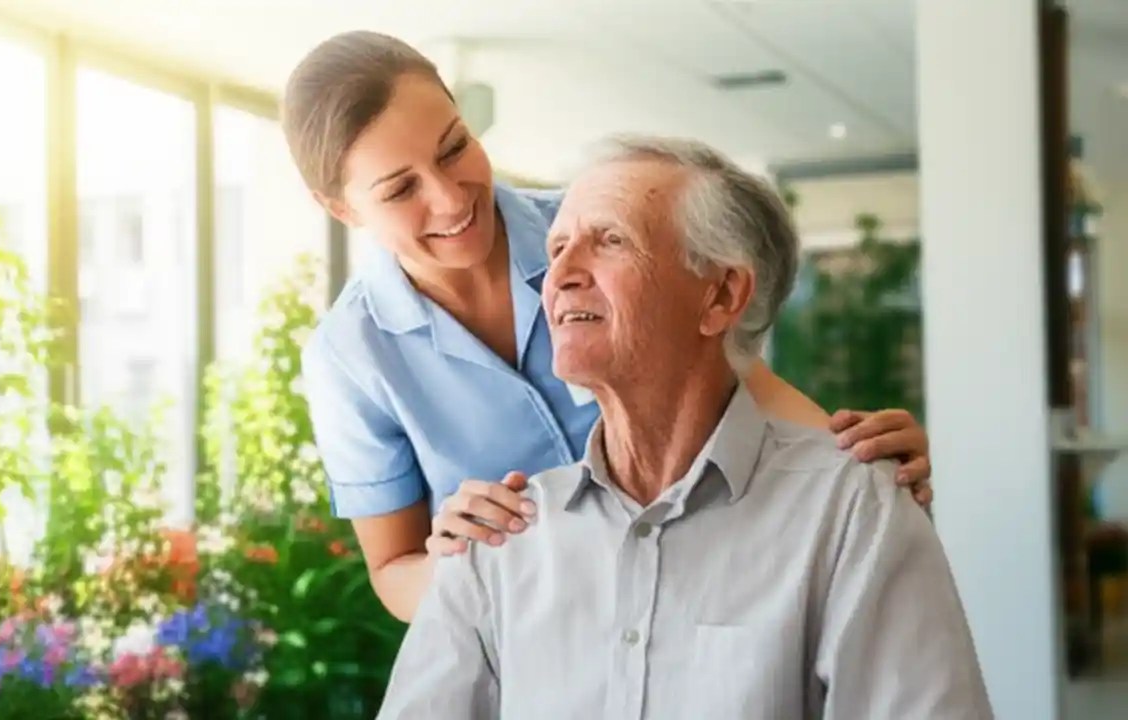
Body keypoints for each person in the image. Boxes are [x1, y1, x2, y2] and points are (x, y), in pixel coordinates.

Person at [285, 30, 933, 622]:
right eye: (401, 190)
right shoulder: (351, 356)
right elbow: (394, 572)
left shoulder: (593, 228)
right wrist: (462, 560)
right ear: (339, 207)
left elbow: (738, 381)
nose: (451, 198)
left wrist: (863, 468)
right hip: (533, 650)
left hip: (699, 604)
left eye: (455, 146)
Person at [376, 135, 991, 719]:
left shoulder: (853, 514)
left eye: (610, 240)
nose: (559, 275)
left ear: (721, 297)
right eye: (558, 247)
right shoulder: (499, 542)